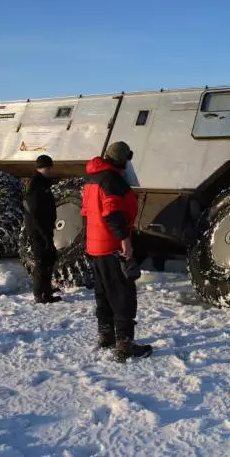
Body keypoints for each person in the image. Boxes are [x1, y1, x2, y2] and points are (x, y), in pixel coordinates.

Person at [81, 141, 153, 363]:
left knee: (103, 294)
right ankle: (125, 345)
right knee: (123, 295)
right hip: (112, 246)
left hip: (95, 246)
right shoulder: (113, 181)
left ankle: (106, 336)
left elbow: (85, 214)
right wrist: (125, 241)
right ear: (124, 159)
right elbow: (112, 214)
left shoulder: (91, 179)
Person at [23, 154, 62, 304]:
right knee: (42, 260)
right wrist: (44, 233)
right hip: (38, 230)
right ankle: (40, 294)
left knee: (49, 258)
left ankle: (46, 288)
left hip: (43, 228)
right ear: (45, 167)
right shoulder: (36, 184)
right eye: (50, 167)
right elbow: (35, 211)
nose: (52, 170)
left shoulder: (42, 182)